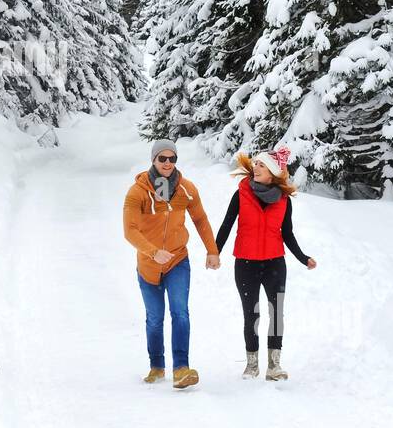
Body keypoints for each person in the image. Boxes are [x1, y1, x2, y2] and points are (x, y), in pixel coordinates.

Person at [211, 147, 317, 381]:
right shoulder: (242, 194)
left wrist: (302, 257)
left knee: (276, 313)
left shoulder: (283, 201)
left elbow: (287, 234)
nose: (255, 167)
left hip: (275, 265)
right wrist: (214, 252)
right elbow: (227, 224)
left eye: (261, 164)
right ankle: (251, 364)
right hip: (246, 264)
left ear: (272, 173)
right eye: (256, 163)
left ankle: (274, 366)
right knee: (252, 315)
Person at [123, 140, 221, 389]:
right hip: (148, 264)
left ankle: (181, 369)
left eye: (172, 159)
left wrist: (213, 250)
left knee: (180, 312)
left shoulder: (185, 189)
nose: (167, 163)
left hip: (178, 260)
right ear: (153, 160)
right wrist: (153, 252)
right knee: (155, 318)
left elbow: (200, 219)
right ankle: (157, 366)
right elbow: (130, 231)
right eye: (162, 159)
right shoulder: (138, 192)